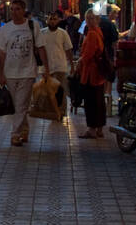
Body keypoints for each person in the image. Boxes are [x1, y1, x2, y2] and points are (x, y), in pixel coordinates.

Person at [0, 0, 49, 146]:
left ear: (24, 10)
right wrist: (1, 74)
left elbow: (41, 47)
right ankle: (25, 129)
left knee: (21, 104)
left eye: (17, 9)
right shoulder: (5, 29)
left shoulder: (33, 26)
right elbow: (1, 53)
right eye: (12, 9)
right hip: (10, 72)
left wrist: (46, 68)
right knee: (18, 104)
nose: (14, 12)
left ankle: (15, 134)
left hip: (28, 71)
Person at [78, 10, 109, 139]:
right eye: (88, 18)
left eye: (92, 18)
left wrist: (80, 61)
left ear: (97, 20)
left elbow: (88, 55)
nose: (90, 21)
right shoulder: (98, 32)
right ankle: (99, 128)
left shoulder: (91, 34)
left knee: (91, 102)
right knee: (99, 101)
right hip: (98, 74)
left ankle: (91, 129)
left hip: (91, 73)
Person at [42, 8, 74, 119]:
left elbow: (68, 50)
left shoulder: (63, 33)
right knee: (49, 92)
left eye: (55, 19)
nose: (52, 21)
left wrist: (72, 66)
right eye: (50, 19)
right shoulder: (42, 33)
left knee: (61, 91)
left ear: (58, 20)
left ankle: (61, 111)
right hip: (47, 67)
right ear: (47, 20)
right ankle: (53, 111)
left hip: (60, 66)